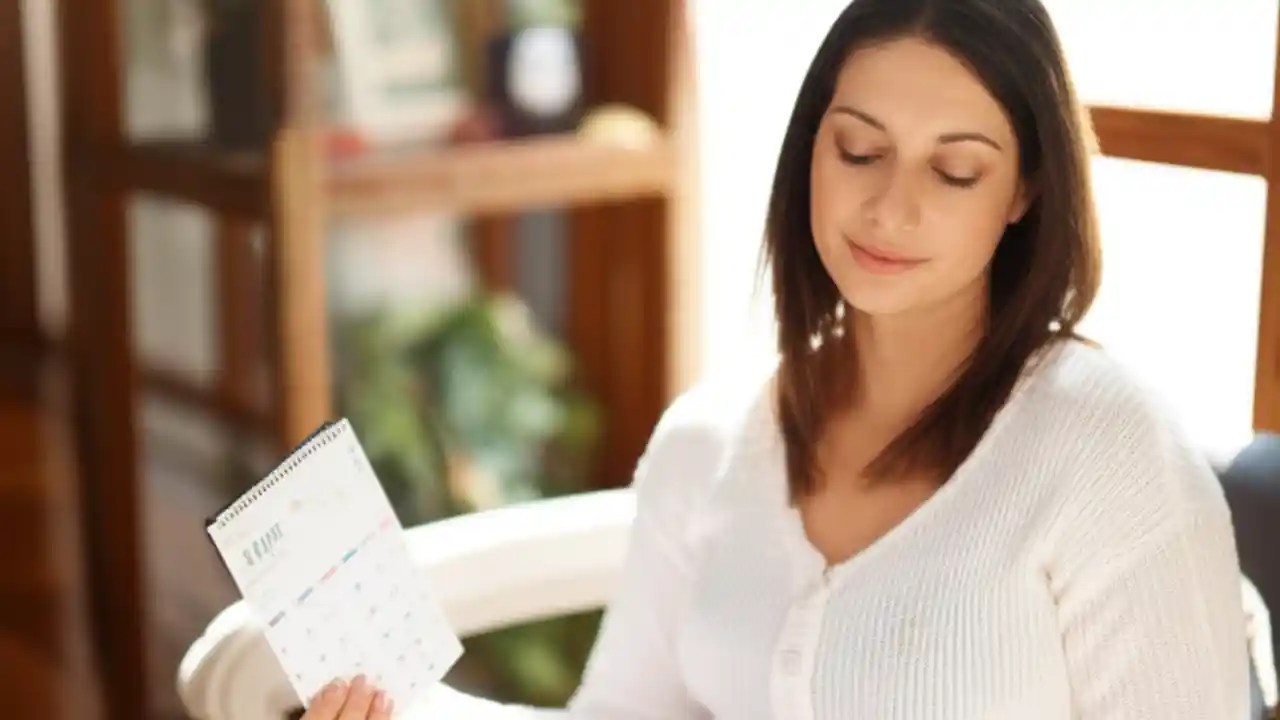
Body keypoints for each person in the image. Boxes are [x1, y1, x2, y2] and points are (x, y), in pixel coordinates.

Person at [305, 0, 1251, 717]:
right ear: (811, 149)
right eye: (857, 151)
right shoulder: (708, 443)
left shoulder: (1111, 452)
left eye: (955, 169)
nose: (890, 208)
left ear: (1024, 191)